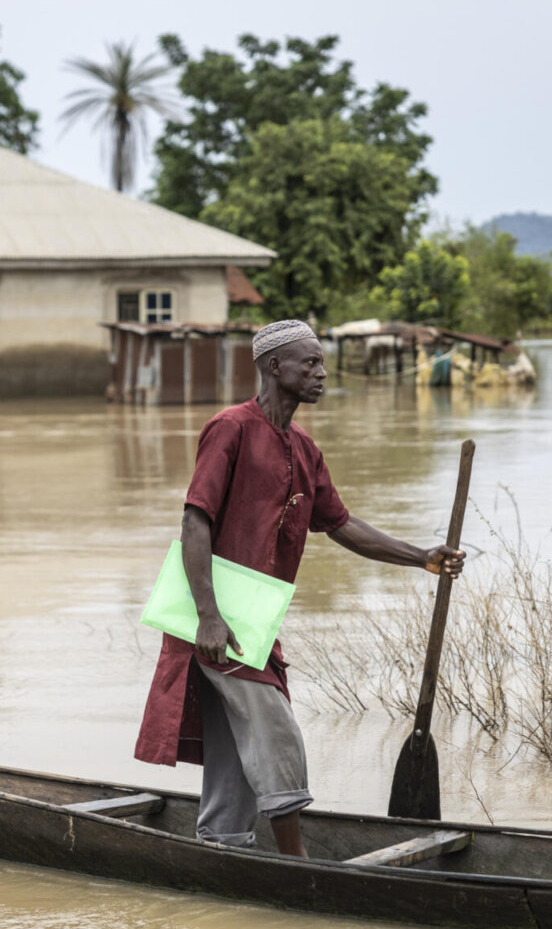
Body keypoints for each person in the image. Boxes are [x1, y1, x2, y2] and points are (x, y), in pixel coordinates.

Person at [133, 319, 464, 857]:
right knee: (275, 729)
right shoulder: (231, 428)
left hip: (257, 620)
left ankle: (222, 846)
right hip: (220, 617)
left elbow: (341, 525)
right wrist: (209, 616)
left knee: (234, 745)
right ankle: (295, 861)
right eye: (308, 363)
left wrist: (421, 558)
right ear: (273, 367)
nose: (321, 372)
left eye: (321, 362)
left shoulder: (304, 449)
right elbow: (196, 522)